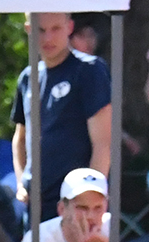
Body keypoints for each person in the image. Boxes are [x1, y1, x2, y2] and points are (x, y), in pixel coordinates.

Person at [13, 13, 112, 225]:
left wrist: (90, 197)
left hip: (74, 200)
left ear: (69, 27)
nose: (48, 38)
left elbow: (103, 142)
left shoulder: (89, 70)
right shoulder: (27, 78)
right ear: (29, 29)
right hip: (36, 201)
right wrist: (21, 182)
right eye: (40, 30)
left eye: (56, 29)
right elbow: (20, 138)